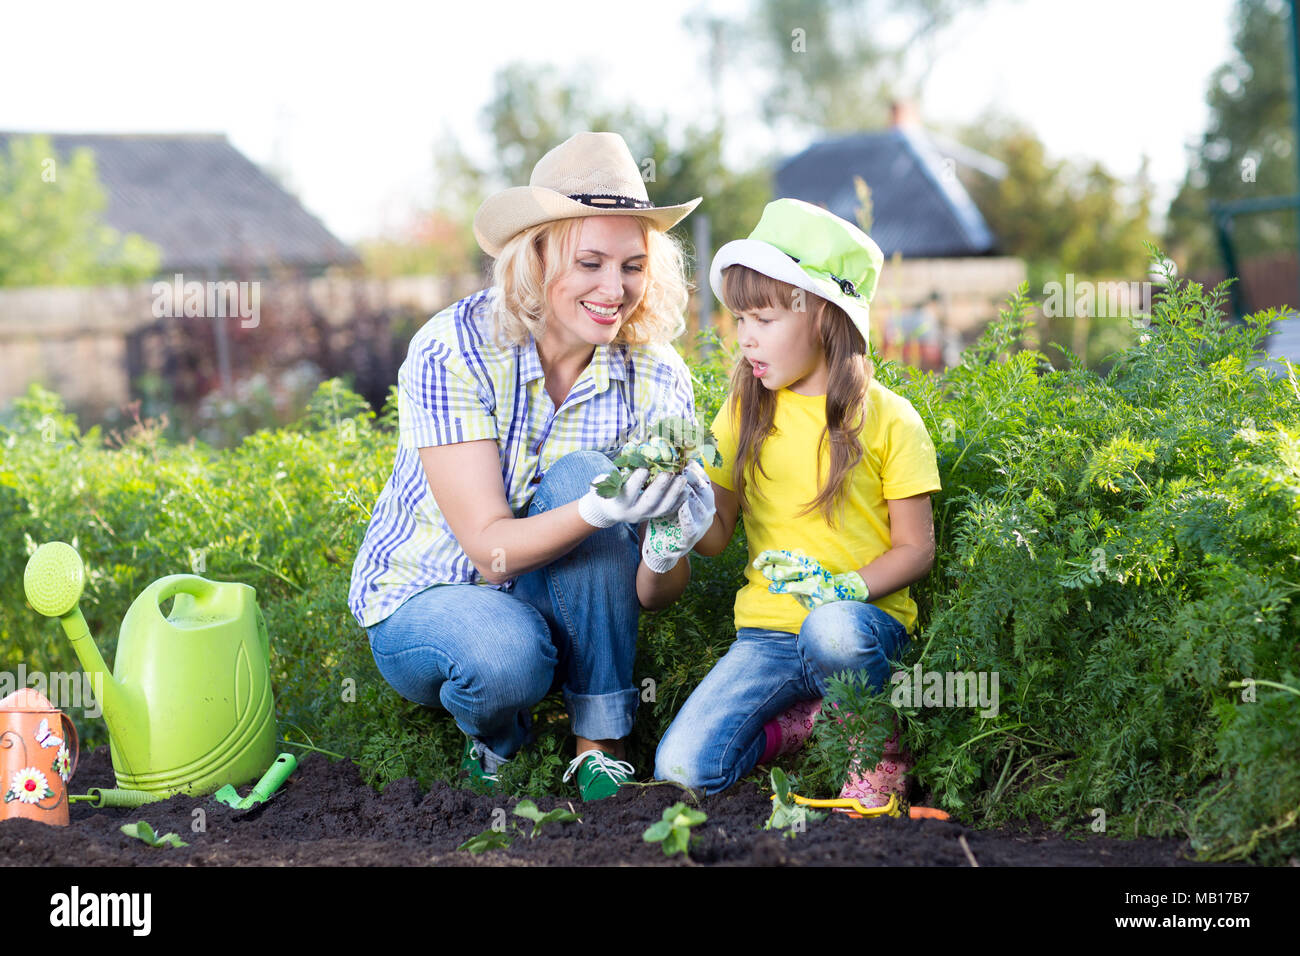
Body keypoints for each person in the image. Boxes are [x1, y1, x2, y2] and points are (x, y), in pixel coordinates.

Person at [349, 132, 716, 801]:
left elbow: (653, 596)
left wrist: (665, 541)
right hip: (427, 599)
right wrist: (598, 510)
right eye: (591, 262)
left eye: (633, 266)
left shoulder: (656, 377)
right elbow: (490, 553)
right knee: (504, 655)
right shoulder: (453, 348)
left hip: (553, 598)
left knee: (583, 474)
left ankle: (599, 746)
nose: (615, 289)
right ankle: (499, 743)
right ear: (536, 253)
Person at [654, 198, 942, 805]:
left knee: (832, 631)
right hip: (768, 637)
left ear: (824, 317)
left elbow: (916, 548)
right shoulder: (741, 412)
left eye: (763, 318)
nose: (746, 337)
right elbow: (717, 534)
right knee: (682, 769)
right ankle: (805, 724)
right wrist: (672, 513)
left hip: (859, 627)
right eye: (740, 319)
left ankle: (876, 751)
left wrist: (844, 590)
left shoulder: (891, 419)